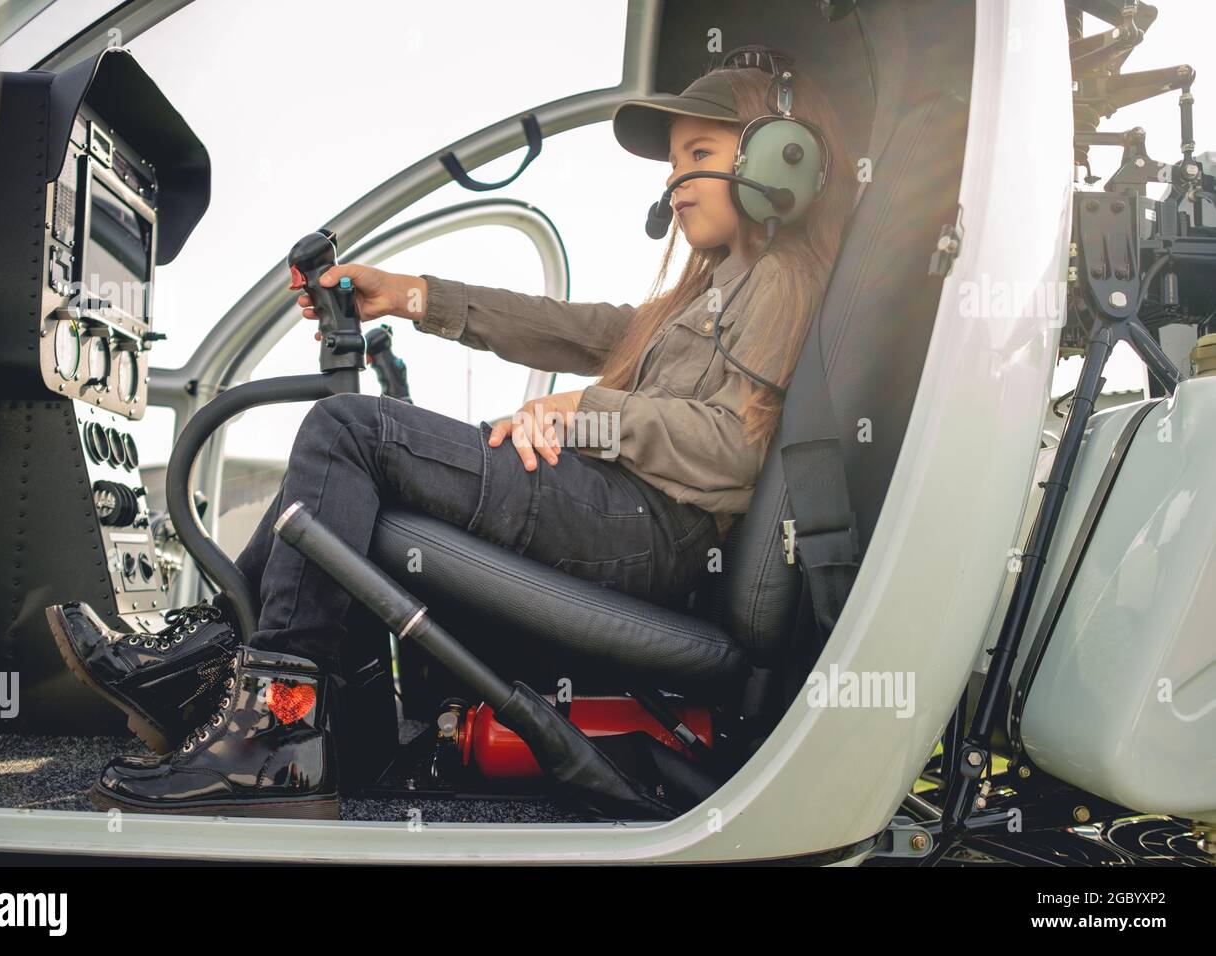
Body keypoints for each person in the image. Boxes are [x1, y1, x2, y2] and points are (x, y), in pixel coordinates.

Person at [46, 48, 857, 818]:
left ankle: (275, 733)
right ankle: (211, 673)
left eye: (700, 153)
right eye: (674, 160)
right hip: (622, 513)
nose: (678, 179)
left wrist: (587, 413)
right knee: (352, 456)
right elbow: (569, 326)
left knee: (347, 434)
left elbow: (734, 450)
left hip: (653, 531)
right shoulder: (705, 291)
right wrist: (411, 295)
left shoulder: (779, 281)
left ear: (775, 159)